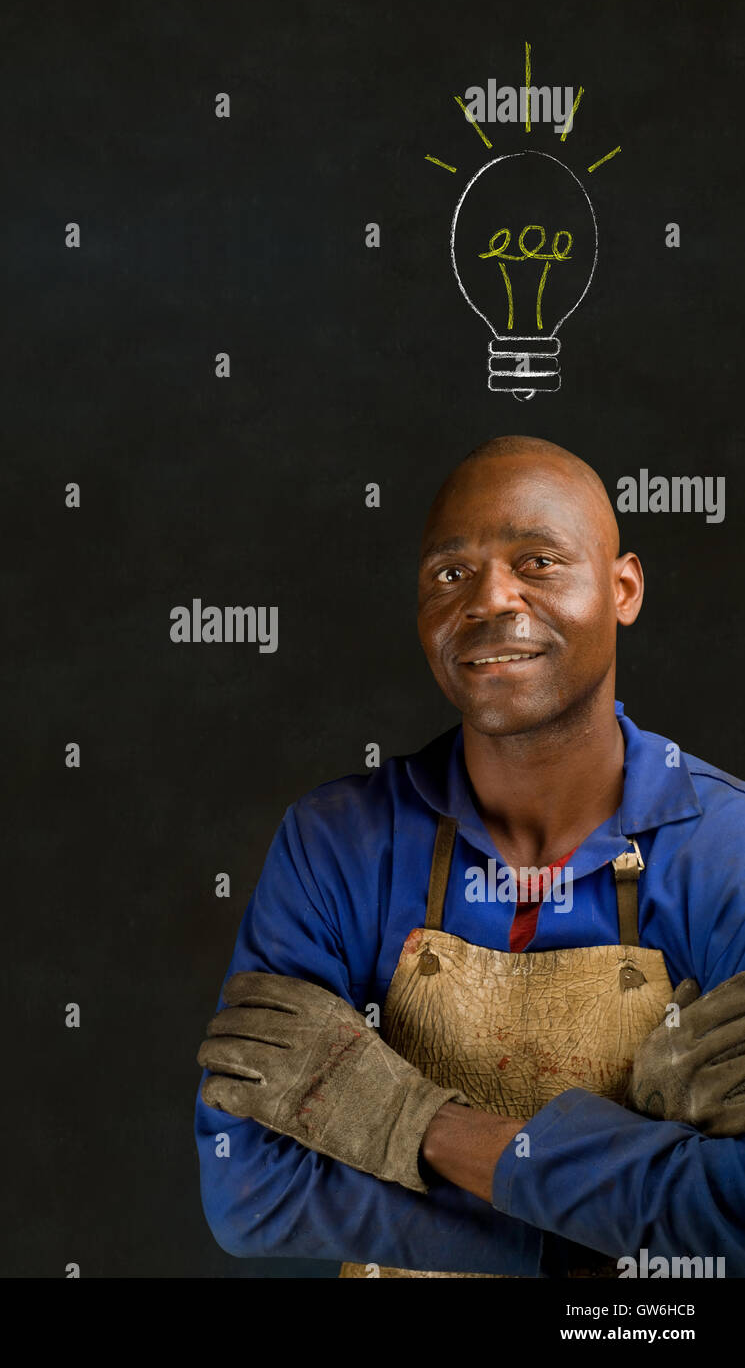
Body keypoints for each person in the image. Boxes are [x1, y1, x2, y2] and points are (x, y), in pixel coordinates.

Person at [194, 434, 745, 1277]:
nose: (490, 598)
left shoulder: (726, 849)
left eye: (538, 561)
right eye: (449, 574)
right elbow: (249, 1193)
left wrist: (410, 1123)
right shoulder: (335, 843)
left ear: (622, 587)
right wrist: (631, 1219)